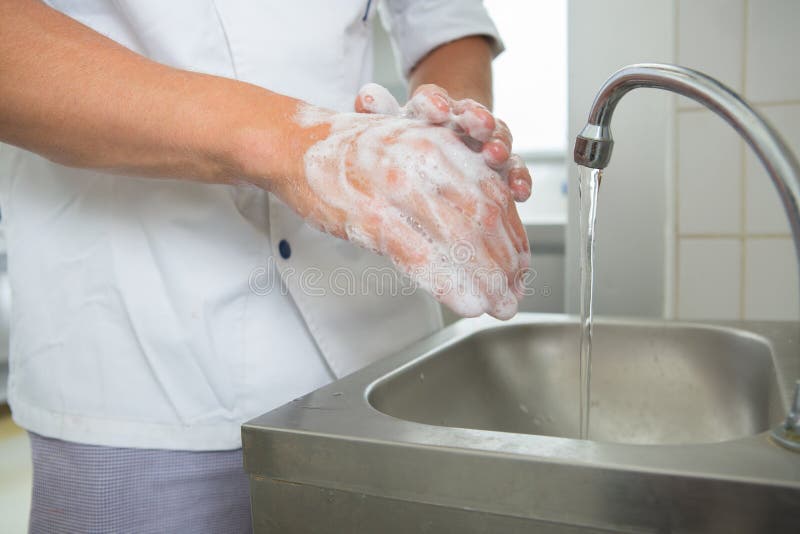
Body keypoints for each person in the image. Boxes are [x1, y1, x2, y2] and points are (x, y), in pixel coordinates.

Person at [0, 0, 532, 531]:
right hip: (137, 357)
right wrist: (298, 144)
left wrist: (444, 133)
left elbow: (443, 20)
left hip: (372, 359)